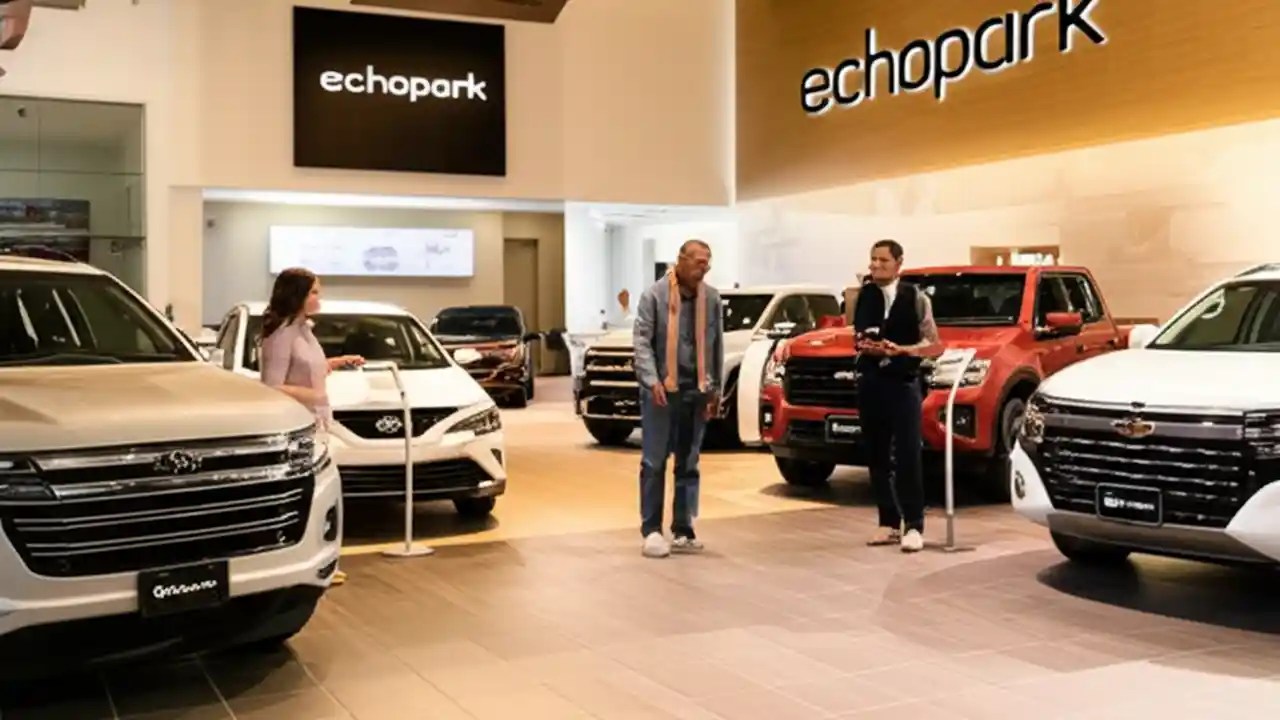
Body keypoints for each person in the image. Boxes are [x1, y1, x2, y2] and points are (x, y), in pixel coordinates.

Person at [259, 267, 364, 584]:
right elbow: (272, 385)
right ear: (298, 296)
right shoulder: (281, 335)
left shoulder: (304, 330)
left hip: (318, 422)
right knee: (310, 494)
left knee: (324, 493)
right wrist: (314, 394)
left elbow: (307, 368)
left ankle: (322, 559)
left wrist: (335, 363)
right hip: (299, 427)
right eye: (314, 292)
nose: (319, 298)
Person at [632, 240, 724, 558]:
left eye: (707, 263)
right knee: (654, 462)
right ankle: (652, 530)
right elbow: (641, 342)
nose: (703, 269)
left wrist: (715, 390)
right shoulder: (654, 296)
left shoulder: (711, 298)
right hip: (661, 392)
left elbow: (716, 346)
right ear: (680, 261)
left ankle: (684, 529)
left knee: (689, 462)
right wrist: (651, 379)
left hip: (696, 391)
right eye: (698, 262)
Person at [853, 240, 944, 553]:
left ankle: (914, 524)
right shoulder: (864, 296)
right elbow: (858, 334)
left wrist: (903, 351)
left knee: (907, 454)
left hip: (903, 384)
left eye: (883, 260)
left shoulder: (916, 298)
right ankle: (888, 521)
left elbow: (934, 345)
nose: (876, 265)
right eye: (873, 259)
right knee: (876, 453)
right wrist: (866, 347)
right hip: (871, 382)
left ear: (898, 263)